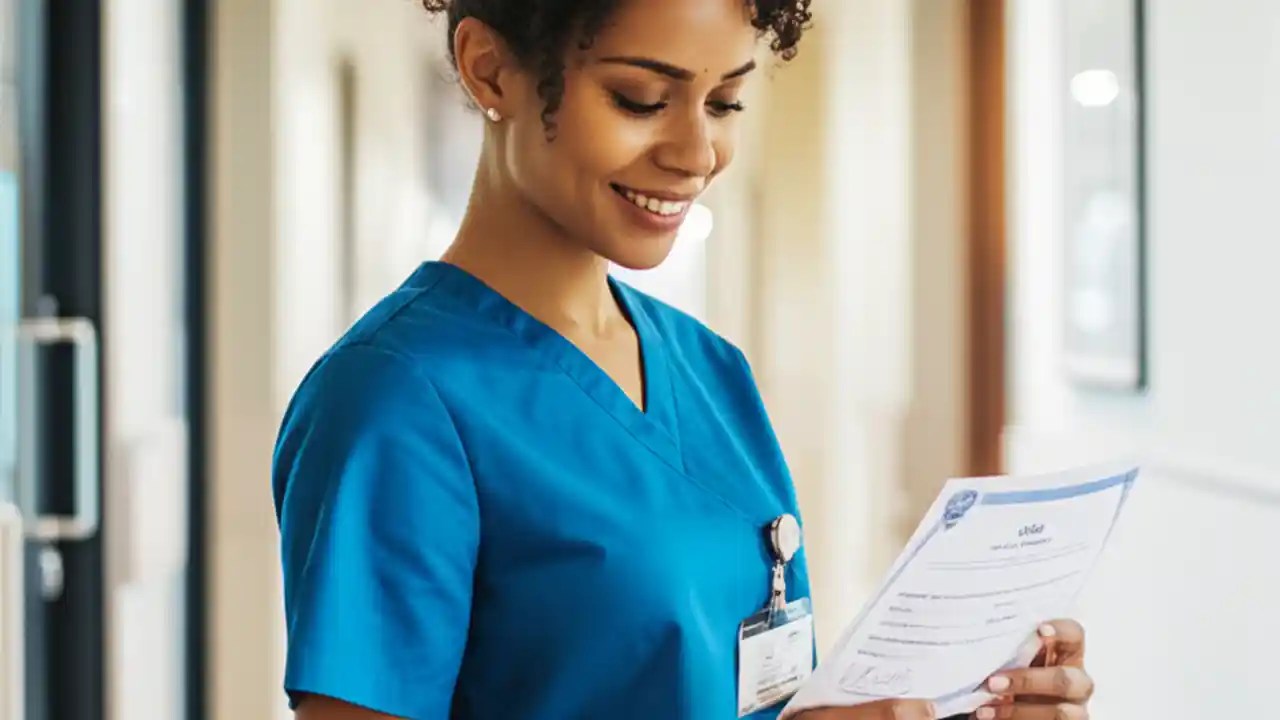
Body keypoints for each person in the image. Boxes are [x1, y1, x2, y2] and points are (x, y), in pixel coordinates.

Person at [272, 1, 1097, 718]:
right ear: (491, 73)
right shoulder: (396, 400)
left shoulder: (710, 369)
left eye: (726, 101)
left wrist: (966, 704)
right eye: (641, 99)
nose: (697, 152)